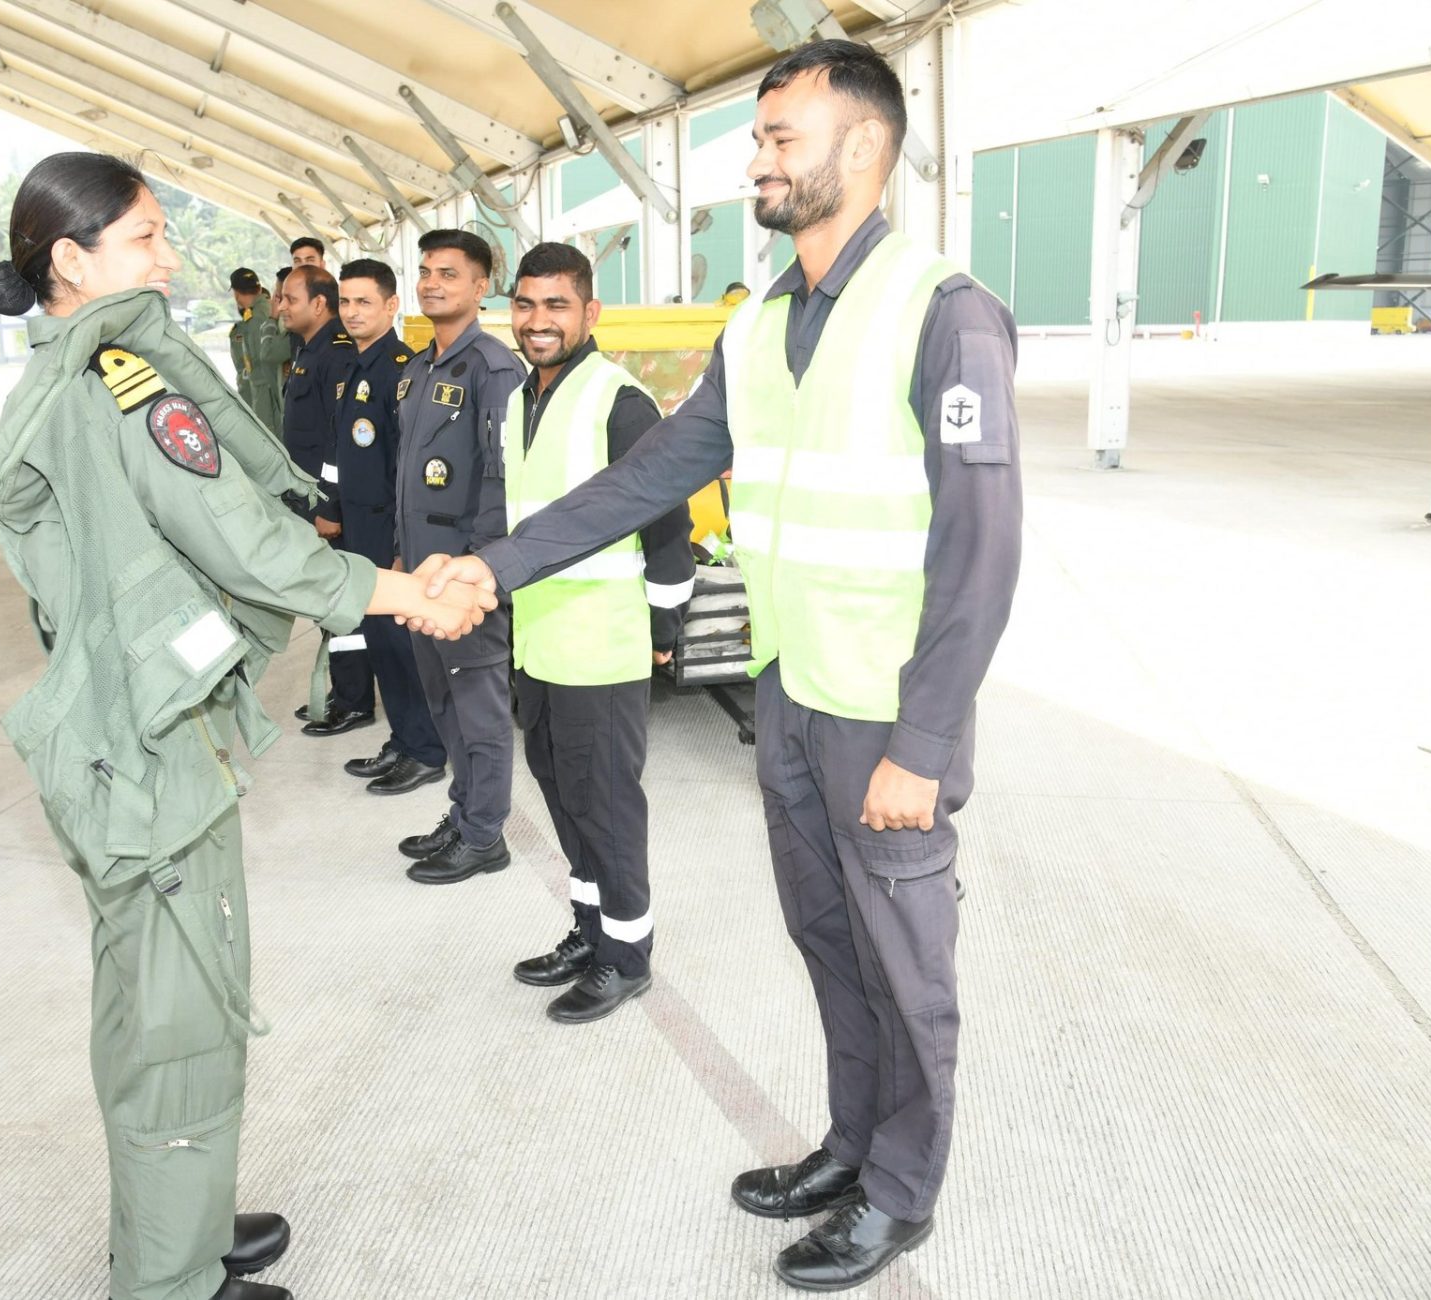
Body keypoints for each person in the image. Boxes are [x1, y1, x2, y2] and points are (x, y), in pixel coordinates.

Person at [420, 40, 1021, 1292]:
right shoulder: (766, 325)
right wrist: (500, 563)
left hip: (887, 713)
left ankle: (900, 1192)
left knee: (906, 965)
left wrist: (925, 741)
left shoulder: (942, 310)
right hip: (793, 689)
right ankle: (851, 1144)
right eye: (756, 138)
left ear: (863, 148)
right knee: (825, 935)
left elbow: (981, 551)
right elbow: (650, 476)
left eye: (780, 137)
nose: (757, 158)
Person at [0, 152, 493, 1300]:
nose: (170, 256)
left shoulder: (65, 375)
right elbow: (236, 536)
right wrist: (404, 590)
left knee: (164, 1000)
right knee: (178, 1016)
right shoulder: (117, 376)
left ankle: (183, 1227)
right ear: (71, 258)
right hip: (145, 753)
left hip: (132, 734)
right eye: (148, 236)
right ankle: (171, 1281)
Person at [499, 242, 693, 1023]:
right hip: (540, 644)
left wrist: (665, 623)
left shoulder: (619, 401)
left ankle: (626, 955)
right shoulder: (520, 399)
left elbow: (668, 521)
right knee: (563, 796)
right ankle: (588, 929)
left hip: (602, 648)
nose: (538, 321)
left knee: (607, 804)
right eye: (526, 304)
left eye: (555, 306)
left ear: (589, 313)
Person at [393, 229, 525, 885]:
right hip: (421, 573)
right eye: (424, 271)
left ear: (480, 287)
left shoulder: (493, 369)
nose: (432, 283)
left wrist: (480, 570)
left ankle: (484, 835)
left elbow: (504, 480)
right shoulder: (420, 369)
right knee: (443, 702)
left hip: (466, 578)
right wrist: (398, 558)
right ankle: (463, 810)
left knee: (479, 710)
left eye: (449, 273)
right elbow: (409, 479)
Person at [322, 258, 447, 794]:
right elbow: (342, 454)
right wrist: (329, 508)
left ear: (392, 306)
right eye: (345, 302)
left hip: (387, 533)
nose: (351, 312)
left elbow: (406, 469)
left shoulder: (399, 368)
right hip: (356, 526)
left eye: (363, 302)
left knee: (400, 643)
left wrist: (400, 544)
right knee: (377, 638)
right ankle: (403, 737)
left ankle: (426, 749)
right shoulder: (353, 365)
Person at [275, 265, 372, 737]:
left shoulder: (334, 356)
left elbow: (339, 441)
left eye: (289, 298)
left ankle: (355, 700)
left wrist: (327, 507)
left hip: (329, 506)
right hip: (313, 500)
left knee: (340, 601)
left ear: (319, 304)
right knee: (327, 603)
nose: (280, 307)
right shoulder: (309, 351)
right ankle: (344, 689)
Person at [227, 267, 291, 439]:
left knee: (271, 440)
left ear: (236, 293)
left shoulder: (256, 318)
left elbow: (262, 362)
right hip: (267, 390)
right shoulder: (260, 311)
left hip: (266, 392)